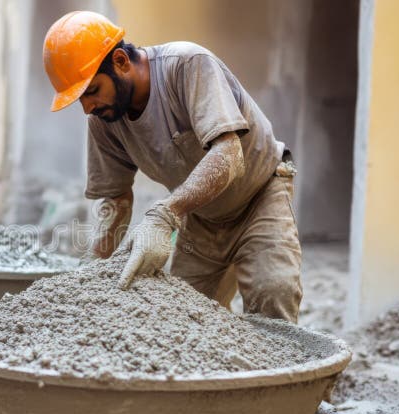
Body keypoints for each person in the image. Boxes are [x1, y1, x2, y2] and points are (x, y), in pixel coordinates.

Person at [43, 11, 301, 322]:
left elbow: (229, 154)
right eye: (80, 100)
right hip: (202, 214)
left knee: (273, 291)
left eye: (92, 91)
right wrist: (93, 273)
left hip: (260, 195)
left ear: (121, 62)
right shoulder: (104, 120)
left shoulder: (187, 65)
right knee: (182, 315)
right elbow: (116, 199)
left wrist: (166, 213)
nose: (88, 108)